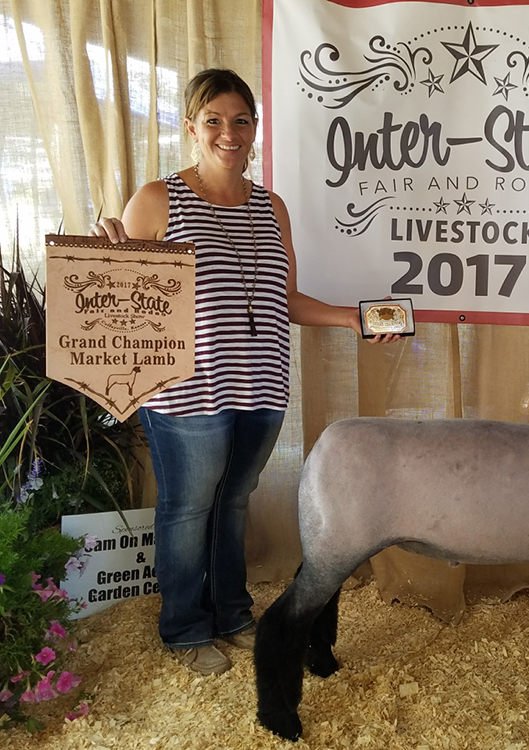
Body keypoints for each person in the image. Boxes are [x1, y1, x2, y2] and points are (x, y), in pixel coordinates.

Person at [92, 68, 400, 676]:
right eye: (214, 120)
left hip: (261, 384)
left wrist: (352, 320)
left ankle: (231, 612)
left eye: (240, 121)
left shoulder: (270, 205)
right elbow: (121, 301)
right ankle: (184, 627)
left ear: (255, 128)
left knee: (233, 502)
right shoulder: (159, 199)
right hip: (187, 392)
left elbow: (283, 296)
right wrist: (108, 253)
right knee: (187, 509)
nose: (228, 133)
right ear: (191, 127)